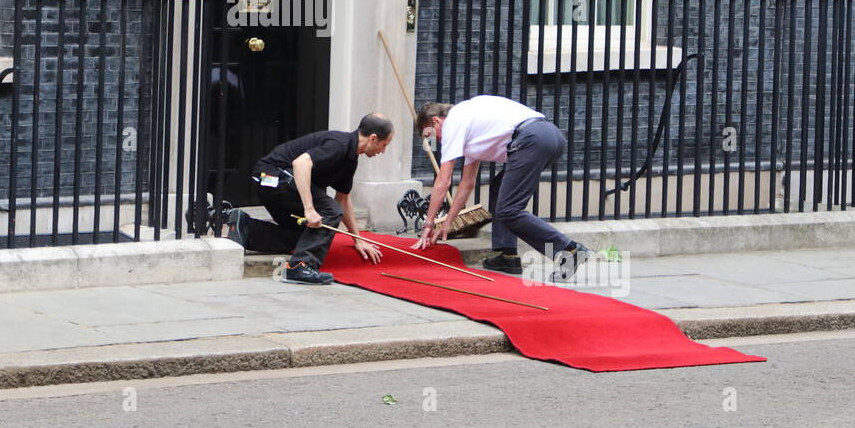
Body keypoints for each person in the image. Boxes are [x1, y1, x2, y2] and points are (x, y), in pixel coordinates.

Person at [411, 96, 592, 281]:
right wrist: (448, 223)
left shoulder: (453, 123)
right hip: (549, 136)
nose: (436, 141)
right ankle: (507, 255)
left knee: (509, 210)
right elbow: (467, 184)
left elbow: (443, 181)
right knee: (499, 188)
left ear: (436, 121)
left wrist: (428, 224)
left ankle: (570, 250)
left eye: (431, 135)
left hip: (531, 139)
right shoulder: (468, 122)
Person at [225, 113, 392, 284]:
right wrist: (309, 209)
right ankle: (301, 267)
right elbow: (301, 163)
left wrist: (359, 239)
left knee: (305, 235)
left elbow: (342, 199)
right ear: (373, 138)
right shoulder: (339, 145)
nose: (383, 151)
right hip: (270, 176)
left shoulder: (350, 159)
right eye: (384, 145)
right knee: (330, 210)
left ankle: (246, 228)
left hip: (273, 181)